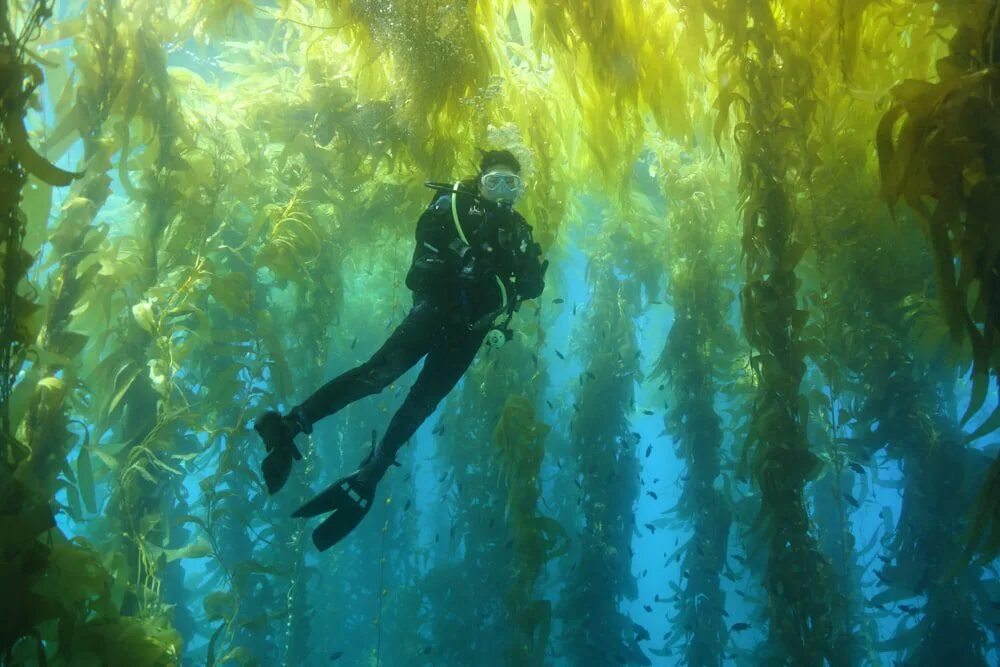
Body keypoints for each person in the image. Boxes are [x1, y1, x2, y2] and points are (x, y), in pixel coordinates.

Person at [253, 149, 549, 550]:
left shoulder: (518, 232)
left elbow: (522, 287)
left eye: (509, 183)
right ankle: (290, 425)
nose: (501, 190)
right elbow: (427, 231)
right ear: (479, 182)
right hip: (436, 310)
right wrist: (465, 255)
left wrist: (532, 279)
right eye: (493, 181)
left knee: (422, 403)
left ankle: (369, 475)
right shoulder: (459, 205)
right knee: (376, 375)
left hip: (471, 331)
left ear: (520, 188)